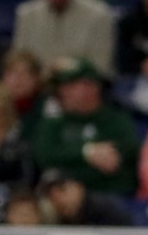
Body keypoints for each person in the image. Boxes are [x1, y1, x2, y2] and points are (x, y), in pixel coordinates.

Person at [31, 58, 139, 195]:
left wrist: (103, 154)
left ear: (93, 87)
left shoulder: (116, 118)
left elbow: (130, 148)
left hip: (113, 196)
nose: (63, 92)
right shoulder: (54, 122)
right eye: (63, 87)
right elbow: (44, 154)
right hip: (64, 198)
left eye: (71, 86)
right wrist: (86, 152)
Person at [11, 0, 115, 77]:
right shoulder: (27, 14)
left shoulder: (99, 14)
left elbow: (101, 66)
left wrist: (68, 69)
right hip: (39, 84)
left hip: (81, 83)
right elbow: (20, 59)